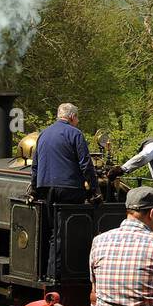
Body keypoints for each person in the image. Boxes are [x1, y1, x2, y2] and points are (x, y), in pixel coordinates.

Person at [30, 102, 98, 281]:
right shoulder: (75, 133)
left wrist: (34, 189)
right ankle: (61, 274)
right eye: (77, 118)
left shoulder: (43, 134)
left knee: (52, 231)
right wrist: (95, 190)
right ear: (73, 117)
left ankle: (47, 272)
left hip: (45, 187)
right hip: (69, 187)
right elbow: (85, 163)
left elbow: (35, 165)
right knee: (67, 231)